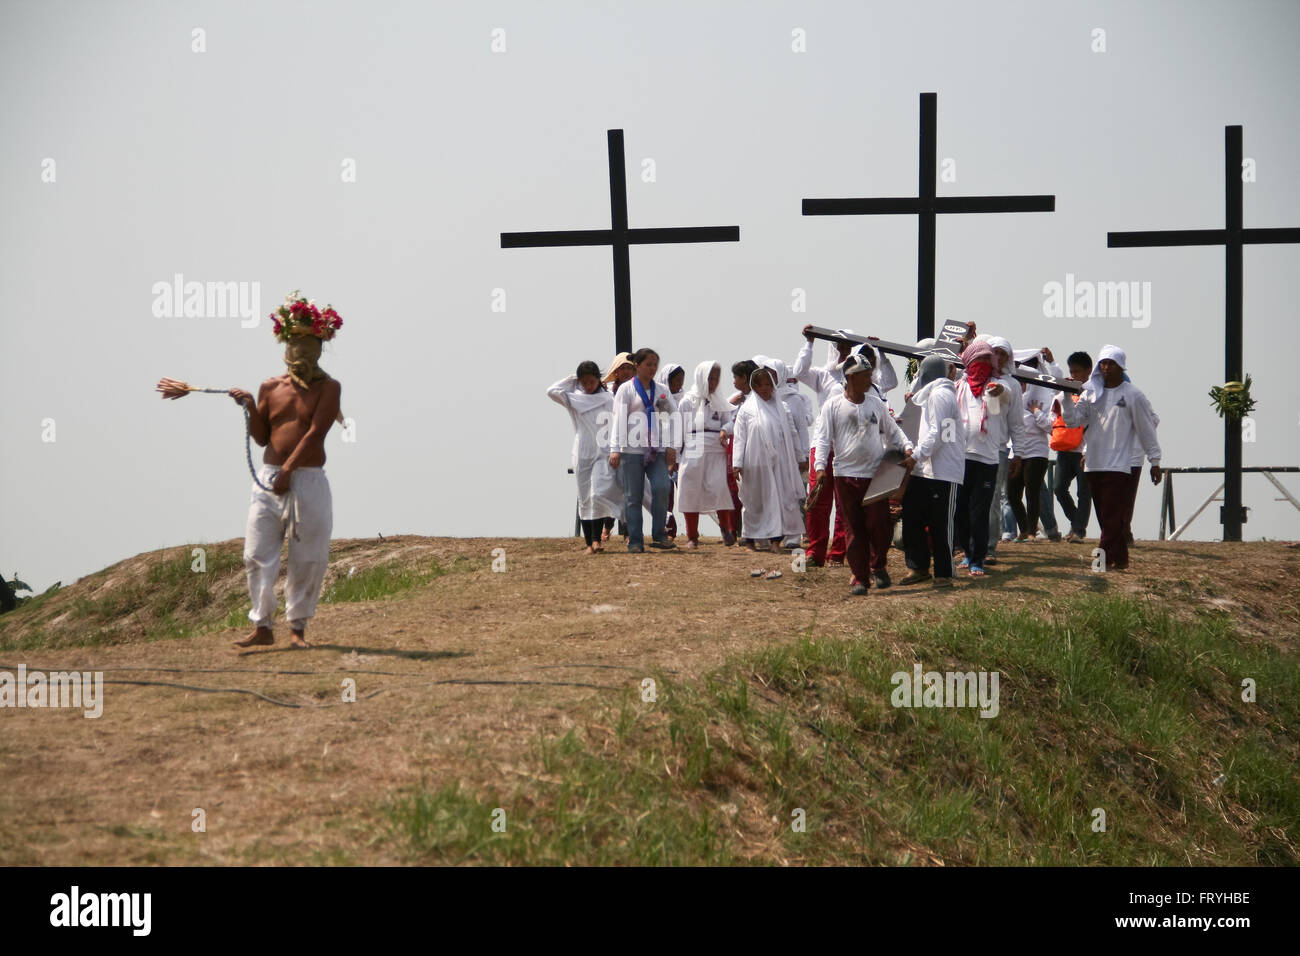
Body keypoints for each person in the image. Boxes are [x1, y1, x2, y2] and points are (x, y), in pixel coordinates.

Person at [228, 292, 343, 649]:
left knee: (309, 556)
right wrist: (249, 406)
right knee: (256, 553)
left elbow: (317, 432)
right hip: (269, 479)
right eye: (296, 343)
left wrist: (291, 470)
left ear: (319, 346)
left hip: (306, 479)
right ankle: (262, 625)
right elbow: (263, 438)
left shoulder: (329, 388)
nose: (302, 350)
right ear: (286, 344)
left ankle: (297, 629)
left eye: (309, 343)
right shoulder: (270, 387)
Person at [811, 353, 914, 595]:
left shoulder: (875, 404)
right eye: (866, 375)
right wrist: (818, 468)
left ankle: (878, 565)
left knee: (879, 524)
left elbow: (893, 431)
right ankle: (860, 577)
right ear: (851, 377)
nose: (870, 379)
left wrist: (907, 447)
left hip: (874, 474)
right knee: (853, 527)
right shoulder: (833, 406)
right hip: (845, 473)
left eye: (870, 375)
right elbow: (823, 439)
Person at [1057, 346, 1161, 571]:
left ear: (1121, 366)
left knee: (1112, 516)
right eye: (1102, 363)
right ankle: (1121, 559)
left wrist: (1155, 461)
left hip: (1119, 465)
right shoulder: (1090, 393)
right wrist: (1066, 396)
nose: (1105, 367)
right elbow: (1074, 421)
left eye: (1111, 363)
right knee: (1106, 517)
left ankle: (1100, 562)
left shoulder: (1133, 395)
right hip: (1094, 462)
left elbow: (1146, 429)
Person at [899, 355, 963, 587]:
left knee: (940, 524)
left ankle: (944, 573)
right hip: (925, 469)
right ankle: (918, 567)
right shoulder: (933, 396)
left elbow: (939, 434)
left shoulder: (942, 395)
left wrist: (915, 456)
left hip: (943, 472)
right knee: (912, 516)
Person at [547, 361, 623, 554]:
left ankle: (598, 539)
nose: (588, 386)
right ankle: (590, 542)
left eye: (592, 381)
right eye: (584, 382)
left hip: (603, 452)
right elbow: (551, 391)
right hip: (582, 451)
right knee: (584, 497)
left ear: (599, 379)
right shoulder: (574, 398)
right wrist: (573, 379)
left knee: (597, 493)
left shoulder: (609, 398)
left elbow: (618, 424)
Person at [953, 340, 1015, 577]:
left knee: (980, 512)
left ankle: (978, 558)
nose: (981, 366)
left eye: (986, 361)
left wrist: (999, 391)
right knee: (961, 510)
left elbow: (1006, 394)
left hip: (987, 459)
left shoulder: (997, 385)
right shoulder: (959, 386)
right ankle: (966, 554)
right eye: (977, 361)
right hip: (960, 458)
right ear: (968, 362)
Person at [610, 348, 679, 552]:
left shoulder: (660, 389)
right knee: (633, 496)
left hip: (655, 449)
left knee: (662, 487)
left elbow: (674, 414)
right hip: (631, 450)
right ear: (637, 365)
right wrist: (616, 449)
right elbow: (618, 419)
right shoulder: (626, 390)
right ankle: (636, 540)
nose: (652, 368)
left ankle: (659, 533)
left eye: (655, 364)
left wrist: (672, 445)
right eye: (648, 364)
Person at [733, 367, 807, 553]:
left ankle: (776, 540)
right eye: (760, 385)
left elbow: (792, 434)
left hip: (780, 461)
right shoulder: (747, 410)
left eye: (768, 384)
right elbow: (740, 437)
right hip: (755, 462)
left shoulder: (783, 408)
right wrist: (737, 463)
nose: (765, 389)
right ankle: (749, 538)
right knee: (754, 501)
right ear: (754, 387)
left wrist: (800, 456)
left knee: (780, 499)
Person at [676, 361, 737, 548]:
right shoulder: (687, 400)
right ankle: (692, 536)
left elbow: (732, 421)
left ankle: (726, 528)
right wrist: (676, 457)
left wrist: (725, 430)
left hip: (715, 446)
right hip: (693, 444)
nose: (712, 382)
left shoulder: (721, 401)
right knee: (690, 488)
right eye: (709, 378)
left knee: (718, 487)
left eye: (716, 379)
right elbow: (679, 430)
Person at [981, 336, 1026, 565]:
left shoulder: (1013, 384)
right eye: (994, 352)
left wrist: (1018, 453)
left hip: (997, 449)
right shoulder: (976, 376)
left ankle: (989, 547)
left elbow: (1017, 423)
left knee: (992, 499)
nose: (997, 357)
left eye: (1002, 354)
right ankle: (969, 546)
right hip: (970, 448)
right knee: (970, 498)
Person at [1053, 351, 1093, 541]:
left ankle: (1078, 530)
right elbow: (1055, 419)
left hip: (1084, 450)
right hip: (1065, 449)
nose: (1074, 375)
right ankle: (1077, 521)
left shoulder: (1094, 394)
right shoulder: (1063, 394)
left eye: (1078, 372)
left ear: (1088, 371)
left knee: (1083, 492)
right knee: (1059, 488)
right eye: (1071, 371)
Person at [1007, 381, 1054, 541]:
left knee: (1032, 492)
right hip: (1016, 453)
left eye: (1023, 382)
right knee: (1012, 493)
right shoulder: (1012, 401)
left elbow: (1050, 427)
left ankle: (1032, 532)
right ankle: (1025, 529)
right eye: (1018, 382)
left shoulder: (1044, 400)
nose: (1021, 385)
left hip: (1036, 452)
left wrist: (1036, 412)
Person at [727, 360, 759, 545]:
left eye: (736, 377)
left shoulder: (761, 399)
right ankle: (743, 532)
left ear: (745, 378)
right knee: (741, 494)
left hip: (755, 453)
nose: (733, 382)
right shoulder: (738, 399)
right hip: (739, 453)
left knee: (755, 495)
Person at [654, 363, 687, 539]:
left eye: (681, 380)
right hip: (663, 451)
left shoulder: (685, 399)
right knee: (666, 494)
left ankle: (691, 530)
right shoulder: (660, 399)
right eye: (675, 380)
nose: (679, 384)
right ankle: (668, 529)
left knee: (687, 492)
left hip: (684, 452)